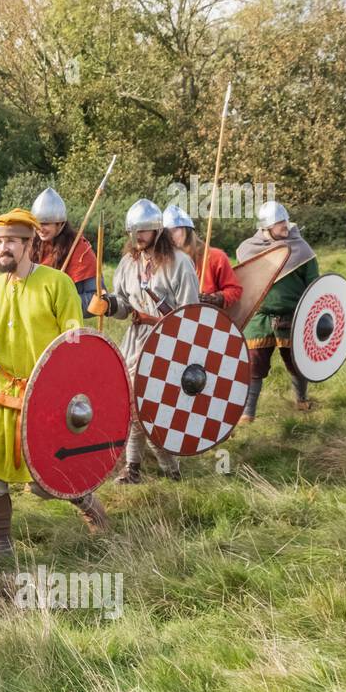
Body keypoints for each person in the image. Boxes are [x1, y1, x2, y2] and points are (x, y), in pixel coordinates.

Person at [0, 209, 108, 558]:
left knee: (49, 473)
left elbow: (72, 339)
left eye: (10, 242)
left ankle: (89, 504)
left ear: (29, 243)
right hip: (4, 390)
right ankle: (2, 545)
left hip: (47, 387)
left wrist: (65, 385)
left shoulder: (56, 283)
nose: (3, 249)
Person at [90, 199, 199, 483]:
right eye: (134, 231)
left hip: (167, 342)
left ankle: (166, 469)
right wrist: (109, 305)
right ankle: (136, 469)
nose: (138, 236)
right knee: (132, 405)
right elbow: (125, 303)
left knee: (146, 409)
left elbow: (191, 312)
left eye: (144, 230)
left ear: (157, 230)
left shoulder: (179, 263)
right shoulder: (129, 262)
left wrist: (182, 348)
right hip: (136, 340)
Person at [235, 201, 320, 422]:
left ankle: (301, 399)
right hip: (259, 315)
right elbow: (243, 282)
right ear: (266, 228)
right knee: (253, 363)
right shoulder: (249, 250)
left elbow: (314, 285)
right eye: (279, 223)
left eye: (285, 221)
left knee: (296, 360)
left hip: (292, 314)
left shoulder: (302, 249)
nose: (285, 226)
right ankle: (248, 411)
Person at [31, 186, 99, 313]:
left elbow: (96, 298)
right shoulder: (30, 245)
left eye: (45, 223)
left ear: (60, 223)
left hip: (66, 325)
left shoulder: (80, 250)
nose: (40, 228)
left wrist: (63, 303)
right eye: (37, 223)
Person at [163, 204, 242, 312]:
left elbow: (234, 290)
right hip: (175, 322)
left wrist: (216, 298)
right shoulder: (163, 262)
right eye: (166, 233)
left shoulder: (215, 257)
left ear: (187, 230)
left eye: (175, 230)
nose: (170, 236)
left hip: (208, 321)